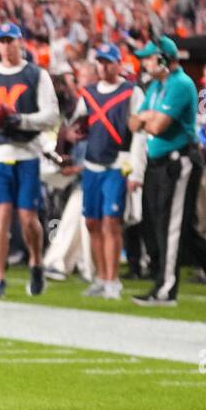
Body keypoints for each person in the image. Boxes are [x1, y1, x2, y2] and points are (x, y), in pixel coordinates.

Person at [127, 36, 206, 307]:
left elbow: (158, 126)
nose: (145, 62)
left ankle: (166, 288)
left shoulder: (187, 86)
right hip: (162, 161)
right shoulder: (162, 87)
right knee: (184, 227)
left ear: (164, 58)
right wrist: (147, 119)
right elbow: (133, 122)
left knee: (183, 224)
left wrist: (148, 119)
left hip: (184, 161)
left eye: (150, 57)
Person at [0, 22, 60, 300]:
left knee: (27, 217)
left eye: (11, 40)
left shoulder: (36, 75)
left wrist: (22, 120)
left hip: (27, 152)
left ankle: (36, 262)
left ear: (21, 42)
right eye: (2, 41)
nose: (7, 46)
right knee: (1, 216)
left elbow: (51, 115)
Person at [70, 43, 143, 299]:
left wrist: (135, 171)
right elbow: (78, 125)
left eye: (108, 62)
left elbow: (139, 134)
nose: (103, 66)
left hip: (117, 163)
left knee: (111, 222)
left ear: (117, 64)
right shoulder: (87, 94)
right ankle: (101, 276)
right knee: (92, 222)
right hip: (92, 163)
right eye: (99, 62)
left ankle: (113, 281)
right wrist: (73, 133)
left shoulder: (131, 92)